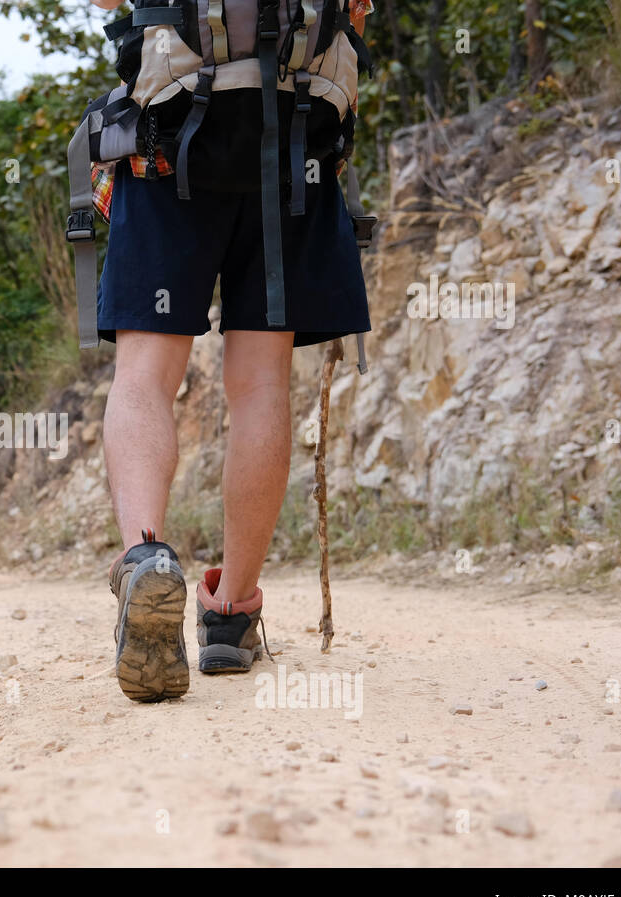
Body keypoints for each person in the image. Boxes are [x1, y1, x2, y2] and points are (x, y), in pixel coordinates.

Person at [88, 0, 372, 702]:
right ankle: (231, 614)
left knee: (146, 377)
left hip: (169, 144)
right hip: (294, 147)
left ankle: (147, 557)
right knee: (261, 386)